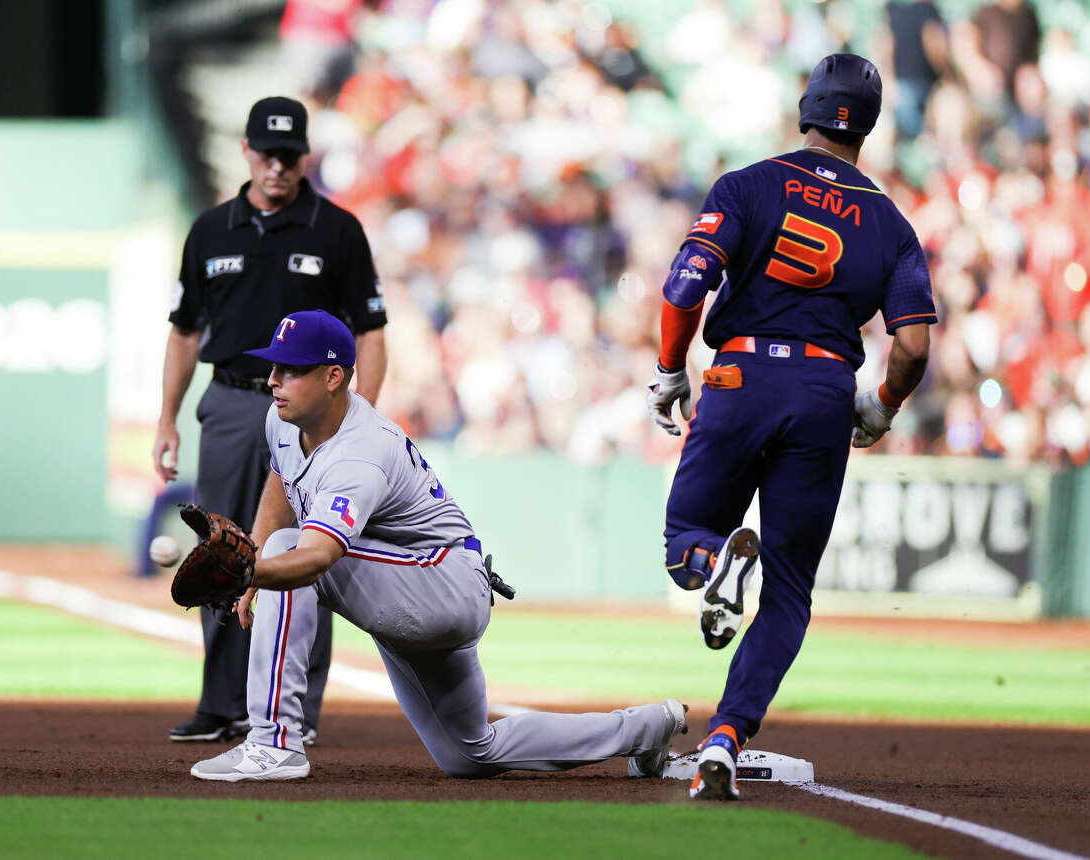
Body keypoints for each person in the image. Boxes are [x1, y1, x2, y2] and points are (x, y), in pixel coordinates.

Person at [190, 309, 687, 781]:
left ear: (333, 377)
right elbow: (284, 480)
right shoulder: (283, 420)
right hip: (410, 580)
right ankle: (645, 729)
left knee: (289, 548)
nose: (273, 379)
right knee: (469, 752)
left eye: (291, 369)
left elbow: (318, 558)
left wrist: (252, 568)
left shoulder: (359, 454)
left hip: (442, 584)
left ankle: (273, 743)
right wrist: (255, 558)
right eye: (274, 366)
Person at [645, 54, 935, 801]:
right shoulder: (892, 223)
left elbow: (684, 283)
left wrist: (671, 368)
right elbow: (912, 346)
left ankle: (715, 563)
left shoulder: (747, 185)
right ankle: (725, 738)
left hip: (740, 378)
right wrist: (882, 405)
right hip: (825, 393)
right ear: (867, 125)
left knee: (684, 541)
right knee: (789, 591)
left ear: (806, 107)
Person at [153, 96, 388, 744]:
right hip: (231, 402)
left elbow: (371, 331)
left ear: (303, 157)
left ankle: (294, 712)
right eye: (267, 153)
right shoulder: (210, 230)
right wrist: (167, 418)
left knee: (304, 552)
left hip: (311, 411)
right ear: (246, 152)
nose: (277, 166)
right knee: (221, 549)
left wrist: (359, 413)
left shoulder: (337, 229)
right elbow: (184, 332)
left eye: (288, 155)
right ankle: (222, 702)